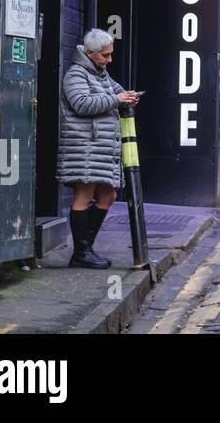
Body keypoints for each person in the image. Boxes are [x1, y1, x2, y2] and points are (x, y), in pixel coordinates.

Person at [58, 29, 140, 268]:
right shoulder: (76, 75)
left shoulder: (100, 73)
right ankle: (81, 252)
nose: (109, 60)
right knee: (83, 195)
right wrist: (118, 100)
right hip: (84, 147)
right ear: (90, 53)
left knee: (108, 195)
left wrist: (129, 97)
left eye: (110, 55)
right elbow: (82, 104)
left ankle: (86, 247)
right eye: (105, 55)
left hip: (100, 148)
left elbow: (117, 92)